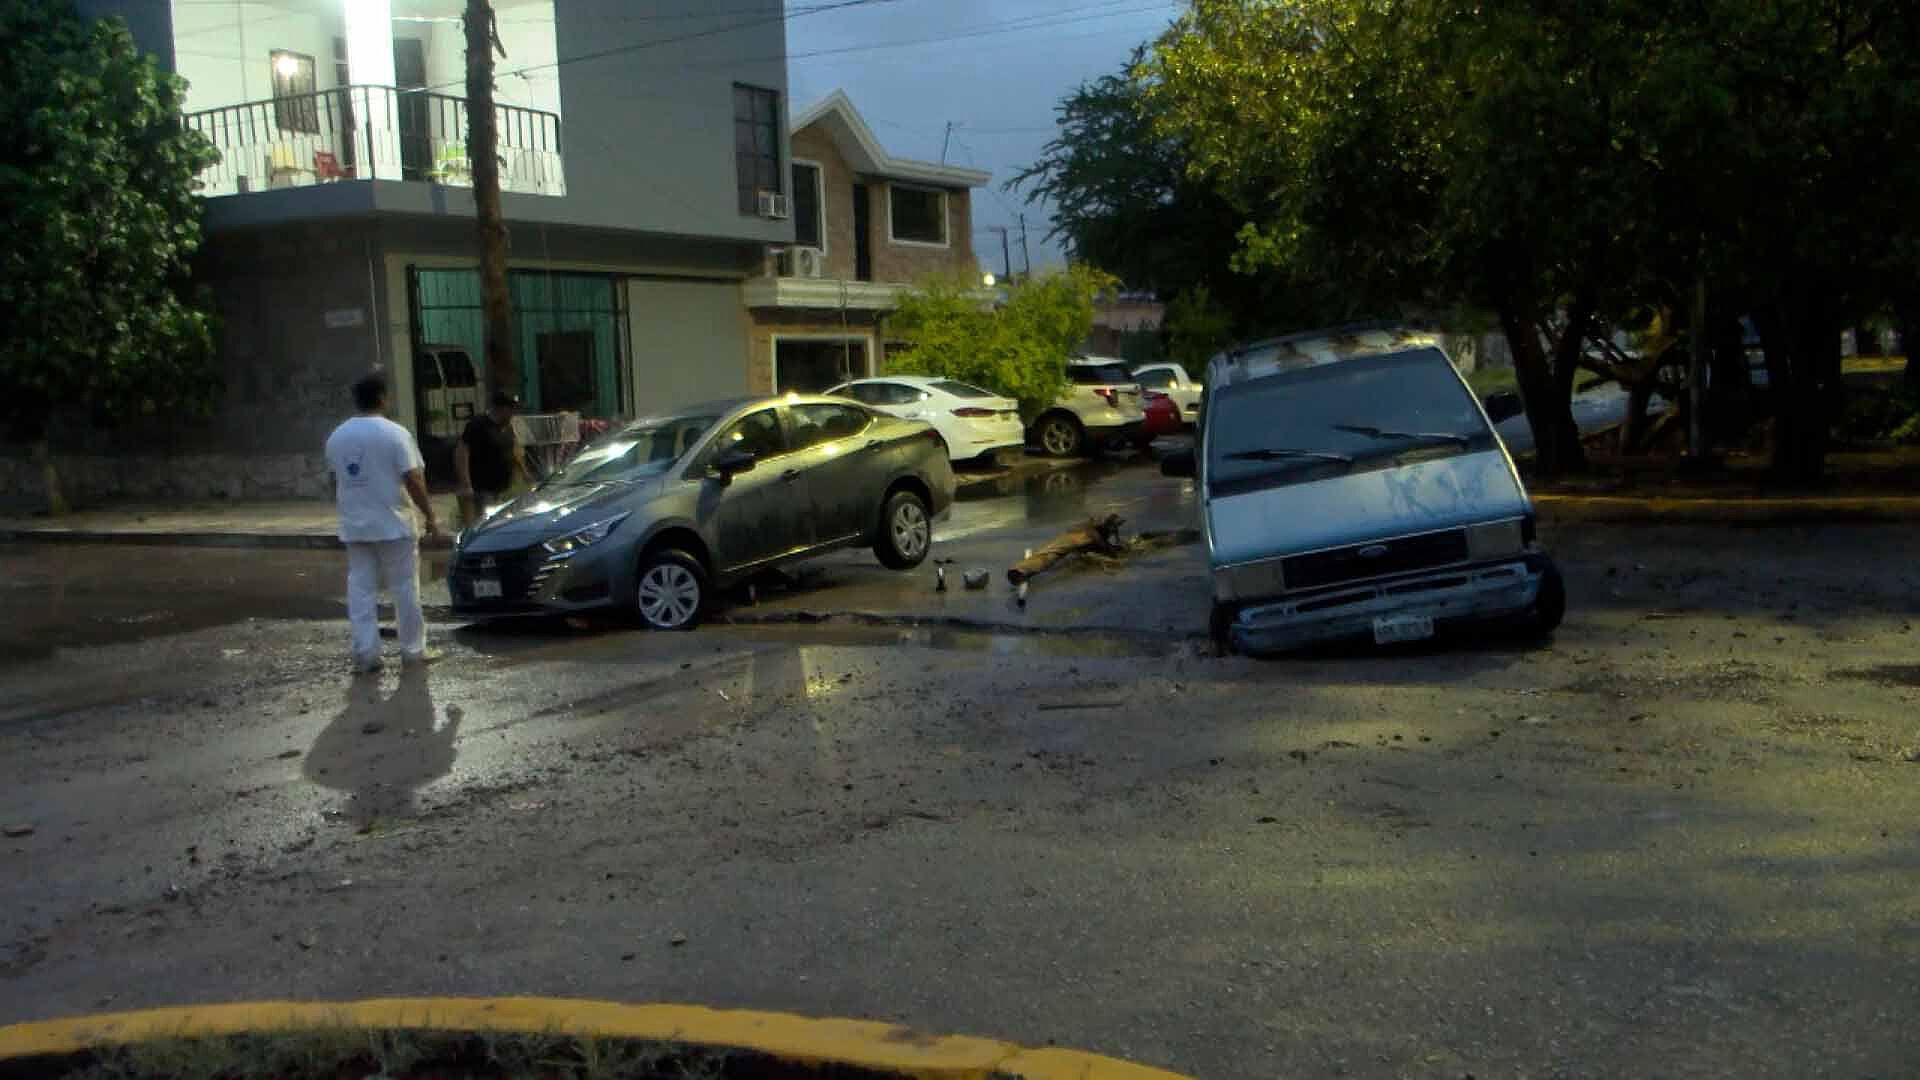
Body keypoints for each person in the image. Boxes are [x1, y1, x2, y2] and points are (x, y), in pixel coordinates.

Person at [324, 373, 443, 674]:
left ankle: (366, 654)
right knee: (404, 587)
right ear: (382, 398)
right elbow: (413, 478)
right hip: (394, 523)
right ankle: (413, 650)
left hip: (355, 526)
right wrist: (429, 514)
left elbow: (333, 480)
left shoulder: (337, 436)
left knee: (360, 589)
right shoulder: (394, 433)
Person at [455, 391, 524, 528]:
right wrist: (466, 483)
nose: (513, 413)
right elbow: (461, 452)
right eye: (511, 409)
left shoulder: (507, 427)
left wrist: (524, 473)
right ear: (501, 408)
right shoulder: (478, 424)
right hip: (483, 488)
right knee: (485, 525)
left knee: (503, 524)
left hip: (504, 488)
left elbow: (514, 451)